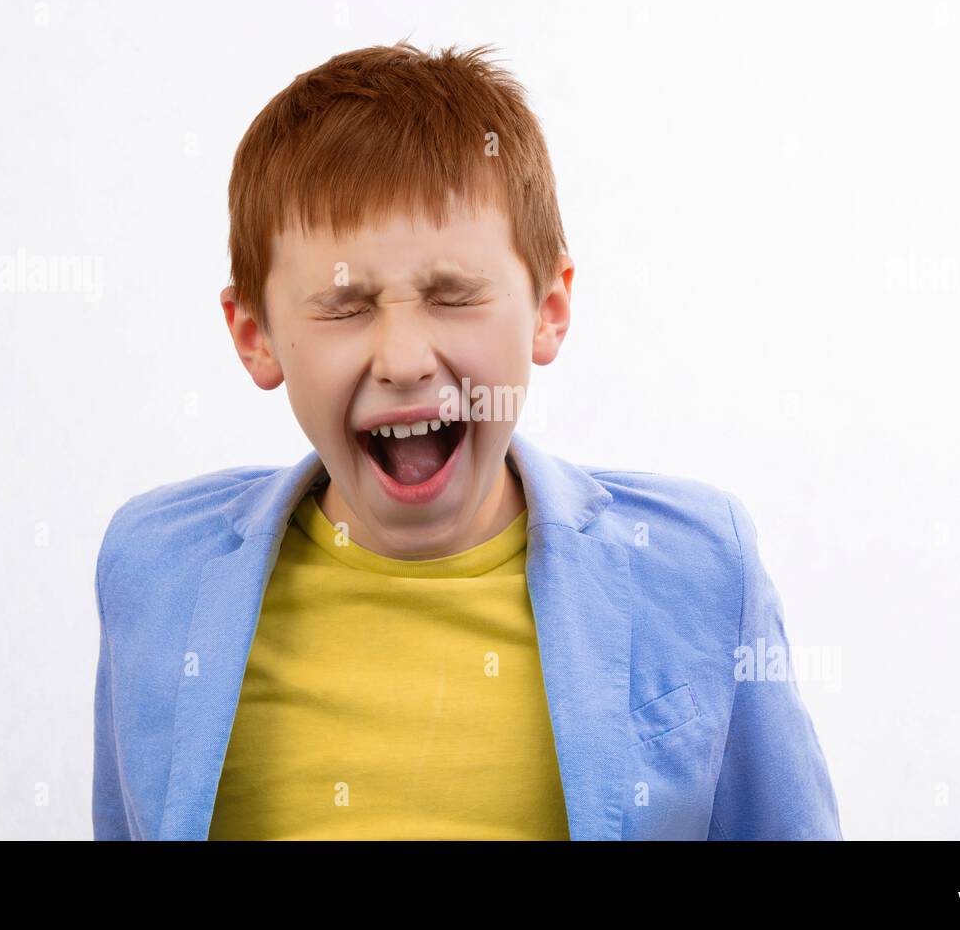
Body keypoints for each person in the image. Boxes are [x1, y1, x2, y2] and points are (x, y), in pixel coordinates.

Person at [92, 41, 842, 840]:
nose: (406, 360)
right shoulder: (153, 567)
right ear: (256, 335)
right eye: (345, 305)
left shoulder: (698, 567)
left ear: (549, 308)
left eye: (454, 296)